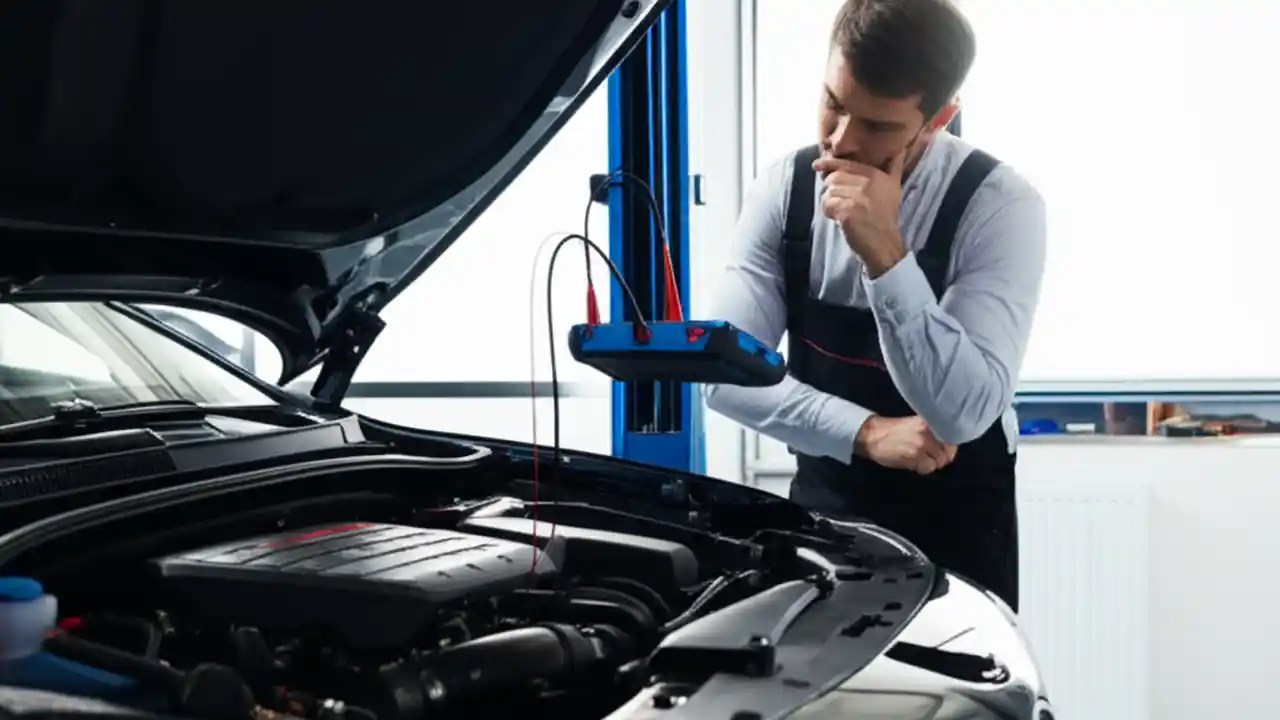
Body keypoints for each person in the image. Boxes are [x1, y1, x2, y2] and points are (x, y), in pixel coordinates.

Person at [703, 0, 1045, 611]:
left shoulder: (1001, 206)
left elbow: (963, 412)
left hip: (959, 531)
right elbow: (723, 376)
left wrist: (885, 256)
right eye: (834, 103)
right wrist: (866, 433)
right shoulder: (783, 188)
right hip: (825, 517)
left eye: (879, 126)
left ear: (939, 118)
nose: (841, 140)